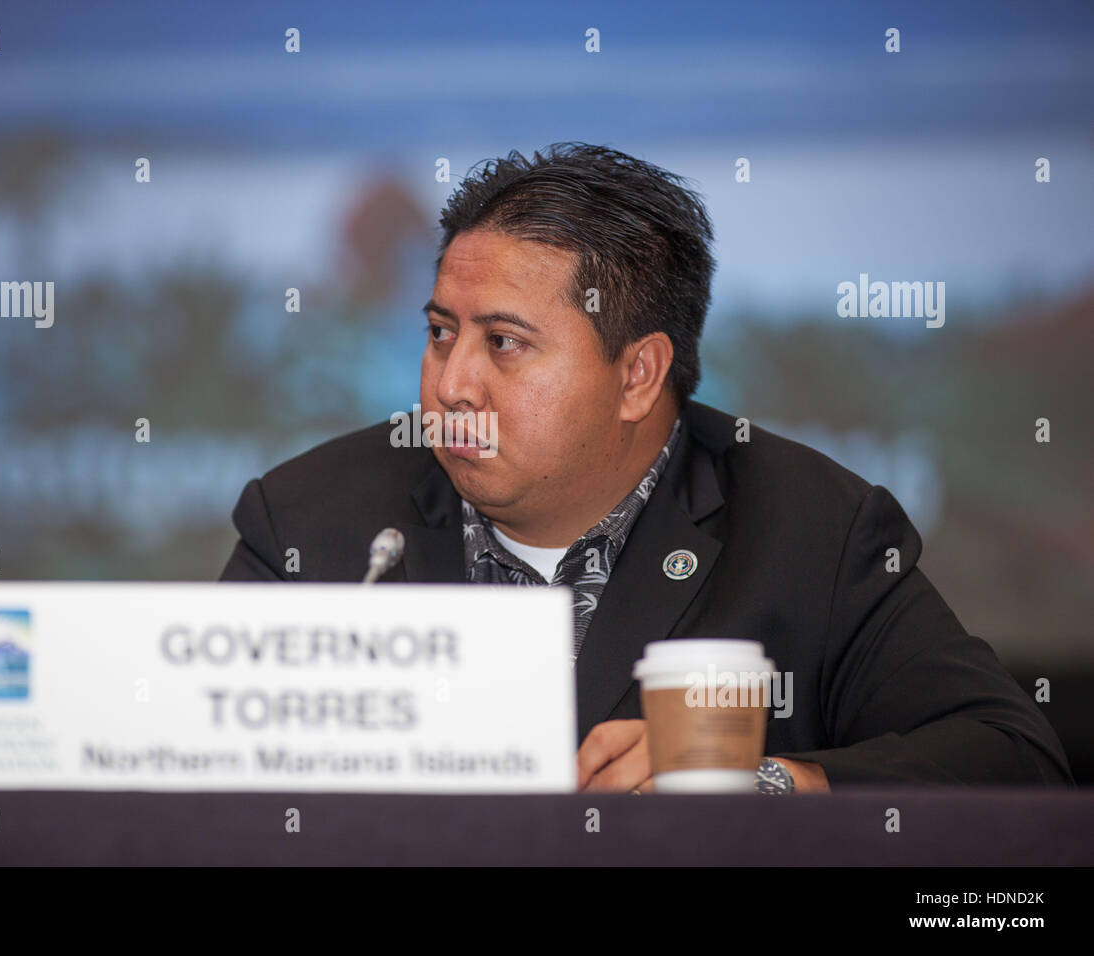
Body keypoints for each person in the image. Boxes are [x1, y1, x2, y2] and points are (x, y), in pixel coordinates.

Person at [220, 142, 1073, 793]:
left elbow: (1015, 760)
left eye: (504, 344)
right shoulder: (308, 522)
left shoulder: (812, 528)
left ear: (638, 375)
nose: (450, 385)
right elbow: (189, 787)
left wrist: (768, 781)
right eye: (441, 332)